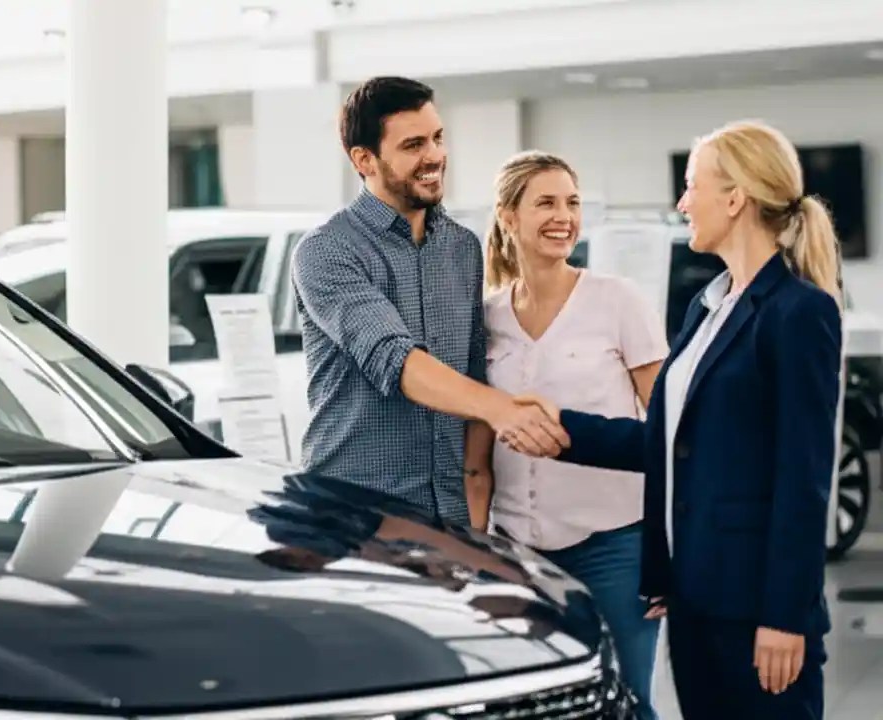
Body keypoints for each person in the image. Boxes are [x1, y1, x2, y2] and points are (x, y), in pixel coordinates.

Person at [502, 120, 843, 719]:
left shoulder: (798, 312)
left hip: (756, 610)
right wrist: (562, 428)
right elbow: (672, 444)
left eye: (692, 186)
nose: (682, 203)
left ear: (735, 199)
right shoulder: (707, 307)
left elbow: (803, 479)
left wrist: (785, 617)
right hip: (694, 597)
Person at [289, 76, 567, 528]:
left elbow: (474, 367)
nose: (434, 156)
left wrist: (476, 516)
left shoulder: (461, 247)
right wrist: (502, 408)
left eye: (438, 138)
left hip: (451, 518)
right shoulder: (327, 250)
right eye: (413, 145)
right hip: (356, 515)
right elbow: (393, 359)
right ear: (365, 160)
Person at [462, 150, 668, 718]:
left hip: (615, 546)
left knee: (626, 702)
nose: (564, 216)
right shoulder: (486, 318)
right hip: (519, 549)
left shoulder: (618, 300)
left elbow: (673, 436)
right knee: (537, 704)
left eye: (572, 202)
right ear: (508, 216)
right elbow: (475, 460)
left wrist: (667, 556)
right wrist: (478, 552)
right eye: (546, 202)